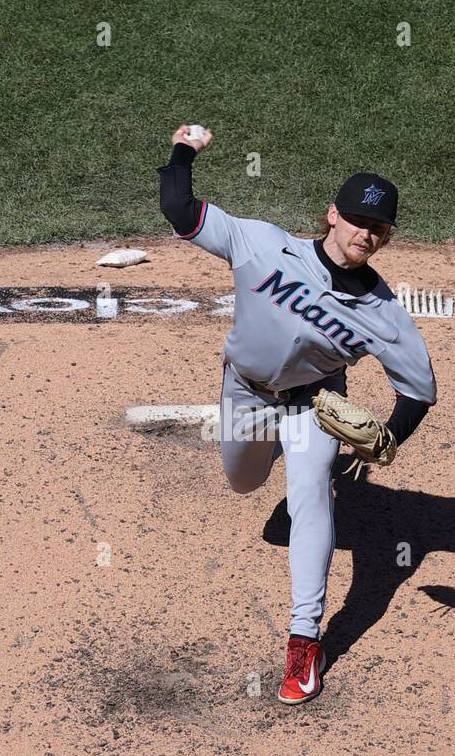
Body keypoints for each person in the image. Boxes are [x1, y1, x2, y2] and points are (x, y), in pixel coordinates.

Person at [157, 124, 437, 705]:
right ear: (332, 215)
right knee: (243, 481)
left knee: (310, 496)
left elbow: (419, 390)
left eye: (379, 227)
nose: (368, 232)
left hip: (313, 403)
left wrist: (385, 440)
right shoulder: (262, 243)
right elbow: (180, 211)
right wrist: (185, 149)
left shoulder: (384, 312)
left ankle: (304, 644)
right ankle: (301, 466)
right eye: (360, 220)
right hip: (245, 392)